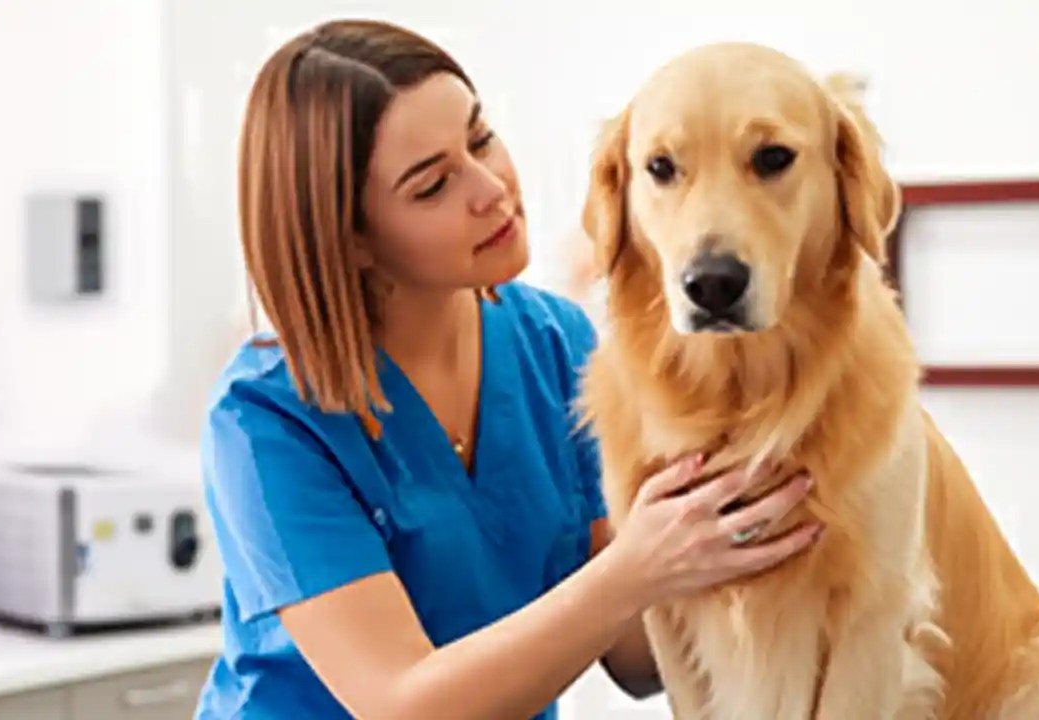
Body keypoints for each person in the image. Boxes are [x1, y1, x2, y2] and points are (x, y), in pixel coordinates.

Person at [195, 18, 824, 720]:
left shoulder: (556, 344)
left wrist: (737, 534)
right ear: (354, 239)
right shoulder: (266, 424)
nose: (490, 189)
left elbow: (634, 658)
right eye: (433, 185)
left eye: (481, 138)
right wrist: (640, 567)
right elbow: (403, 705)